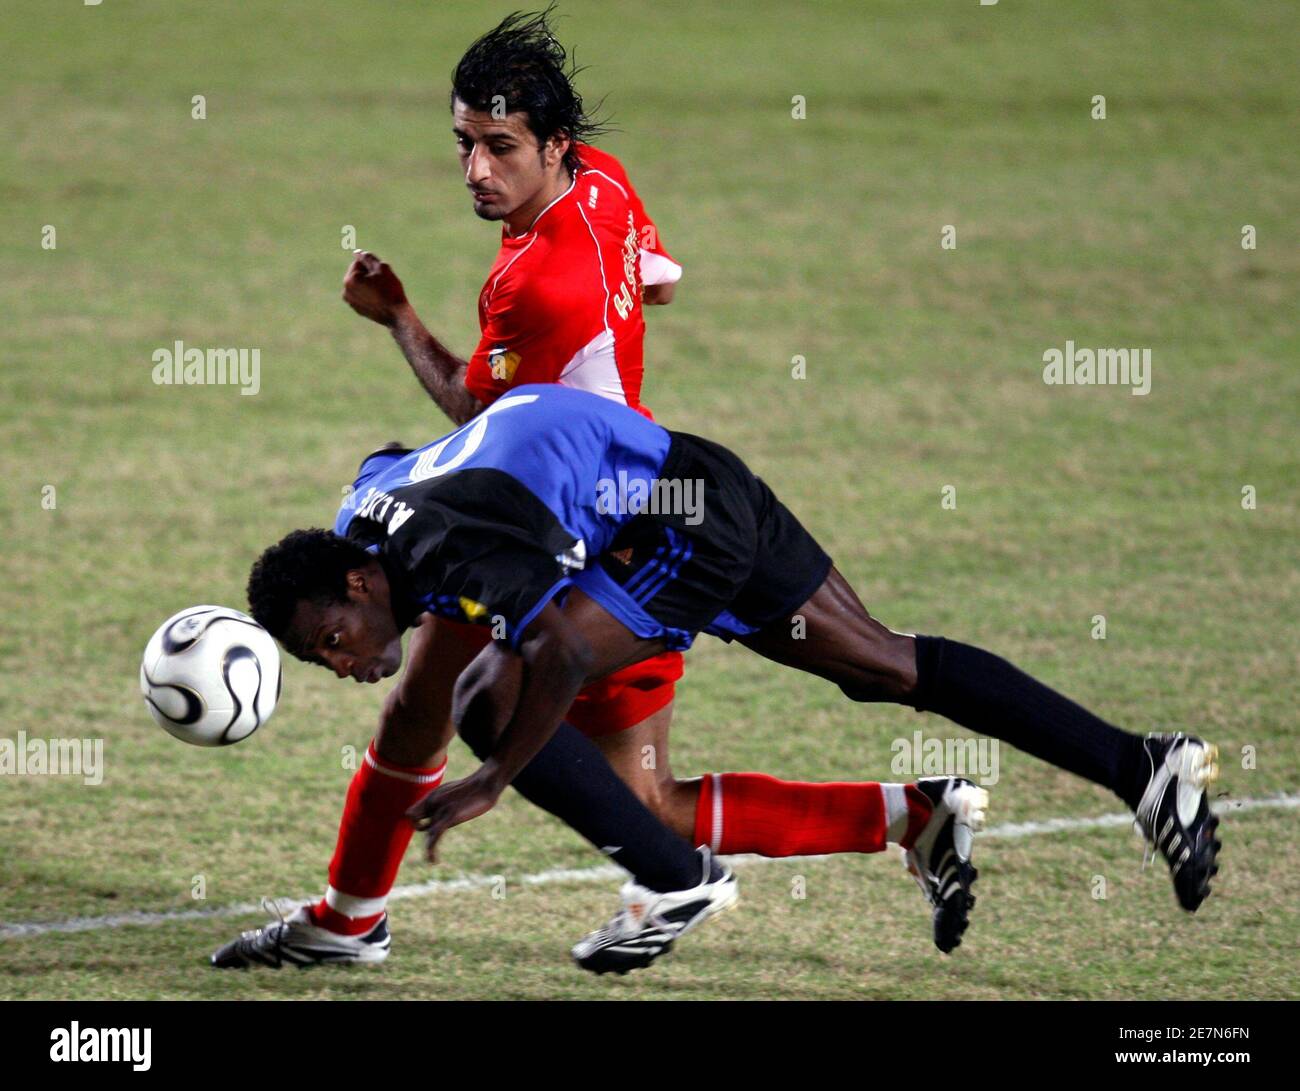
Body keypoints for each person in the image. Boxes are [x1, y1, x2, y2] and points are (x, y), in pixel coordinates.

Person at [246, 385, 1222, 969]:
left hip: (674, 523)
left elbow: (561, 652)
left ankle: (674, 879)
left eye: (334, 632)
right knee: (882, 663)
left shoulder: (456, 553)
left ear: (360, 577)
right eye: (317, 657)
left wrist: (494, 779)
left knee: (485, 699)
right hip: (692, 472)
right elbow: (397, 451)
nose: (340, 660)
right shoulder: (367, 504)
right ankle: (1143, 765)